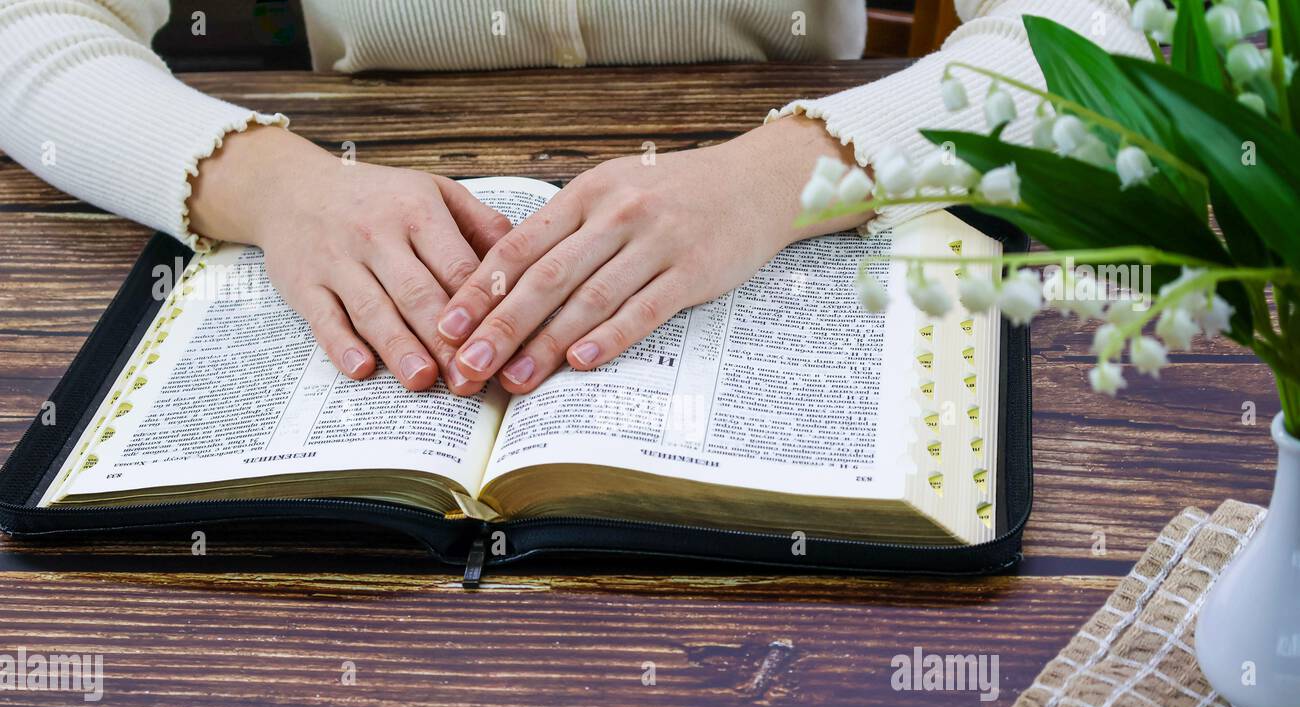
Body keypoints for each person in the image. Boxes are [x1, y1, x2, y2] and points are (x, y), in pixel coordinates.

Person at [0, 1, 1147, 396]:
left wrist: (789, 173)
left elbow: (1106, 23)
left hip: (801, 231)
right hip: (366, 159)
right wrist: (270, 183)